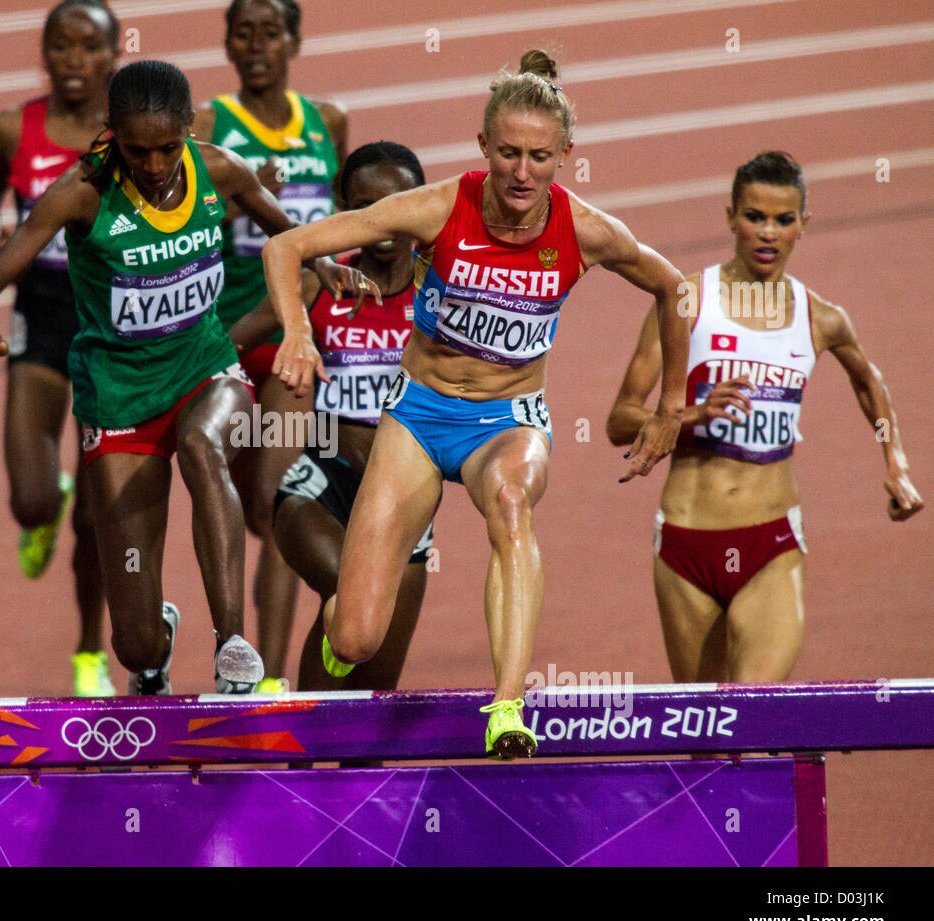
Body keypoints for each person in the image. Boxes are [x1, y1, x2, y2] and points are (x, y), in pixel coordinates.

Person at [262, 50, 689, 757]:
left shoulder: (583, 230)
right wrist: (299, 333)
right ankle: (339, 630)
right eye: (511, 154)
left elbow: (676, 288)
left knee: (513, 502)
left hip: (507, 421)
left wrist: (671, 405)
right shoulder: (437, 208)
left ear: (566, 155)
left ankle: (508, 708)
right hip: (421, 416)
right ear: (484, 145)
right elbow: (287, 246)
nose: (524, 173)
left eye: (542, 157)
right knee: (358, 636)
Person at [0, 60, 369, 695]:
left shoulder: (219, 168)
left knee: (203, 447)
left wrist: (328, 264)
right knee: (134, 642)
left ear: (188, 130)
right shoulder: (81, 192)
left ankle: (233, 644)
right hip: (118, 397)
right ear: (112, 135)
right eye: (137, 150)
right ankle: (157, 643)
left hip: (204, 367)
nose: (154, 165)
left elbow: (291, 240)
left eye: (167, 148)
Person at [606, 150, 923, 682]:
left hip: (771, 545)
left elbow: (869, 380)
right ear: (730, 216)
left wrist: (895, 461)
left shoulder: (822, 317)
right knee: (705, 734)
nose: (768, 233)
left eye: (784, 219)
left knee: (756, 711)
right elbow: (619, 419)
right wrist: (691, 414)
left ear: (804, 224)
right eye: (755, 217)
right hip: (686, 544)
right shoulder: (686, 300)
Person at [190, 0, 347, 688]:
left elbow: (341, 222)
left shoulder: (327, 123)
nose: (257, 46)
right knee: (249, 503)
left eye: (270, 32)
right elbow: (180, 216)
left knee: (282, 498)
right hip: (222, 338)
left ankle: (270, 680)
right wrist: (242, 198)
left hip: (291, 337)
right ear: (227, 43)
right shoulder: (207, 125)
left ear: (295, 40)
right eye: (243, 33)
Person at [238, 142, 429, 690]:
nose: (384, 221)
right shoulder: (317, 283)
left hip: (404, 498)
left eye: (397, 204)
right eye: (366, 206)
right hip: (320, 484)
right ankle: (297, 759)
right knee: (351, 604)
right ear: (345, 208)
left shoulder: (441, 293)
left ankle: (345, 767)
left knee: (374, 688)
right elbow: (230, 343)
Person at [0, 0, 117, 696]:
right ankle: (45, 505)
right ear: (44, 52)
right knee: (32, 501)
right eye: (60, 45)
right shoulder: (12, 128)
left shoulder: (132, 131)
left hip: (113, 328)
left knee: (98, 516)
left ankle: (90, 652)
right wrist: (4, 248)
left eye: (89, 47)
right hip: (41, 317)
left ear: (115, 55)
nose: (73, 59)